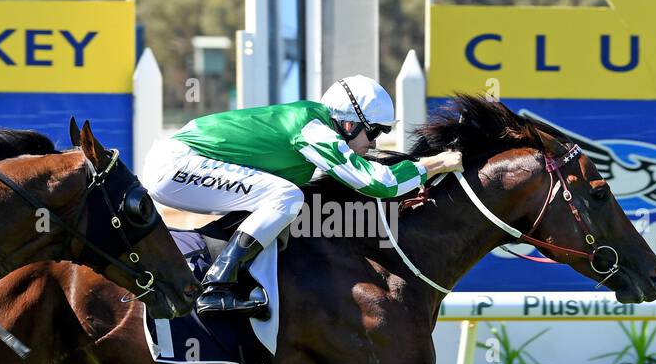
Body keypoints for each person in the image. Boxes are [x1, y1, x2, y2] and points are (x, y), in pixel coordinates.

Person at [141, 75, 462, 317]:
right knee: (286, 196)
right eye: (374, 131)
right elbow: (378, 183)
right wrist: (435, 163)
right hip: (177, 165)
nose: (374, 142)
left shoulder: (317, 128)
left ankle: (226, 274)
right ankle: (217, 285)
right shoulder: (314, 129)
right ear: (349, 122)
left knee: (281, 199)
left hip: (180, 164)